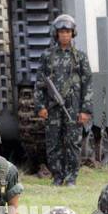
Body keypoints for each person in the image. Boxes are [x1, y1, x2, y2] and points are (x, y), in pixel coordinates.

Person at [35, 14, 94, 186]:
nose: (64, 35)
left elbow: (88, 84)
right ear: (56, 34)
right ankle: (57, 176)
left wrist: (85, 110)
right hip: (52, 107)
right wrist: (40, 106)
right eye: (61, 32)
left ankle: (71, 177)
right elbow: (40, 83)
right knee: (53, 142)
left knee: (72, 143)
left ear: (73, 33)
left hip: (74, 107)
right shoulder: (47, 56)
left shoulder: (79, 57)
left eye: (67, 31)